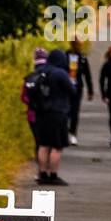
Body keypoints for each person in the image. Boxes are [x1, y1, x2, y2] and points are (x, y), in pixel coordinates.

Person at [32, 49, 76, 185]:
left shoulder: (41, 71)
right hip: (58, 112)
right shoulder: (60, 73)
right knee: (57, 146)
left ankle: (43, 174)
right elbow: (72, 90)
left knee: (43, 145)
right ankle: (53, 175)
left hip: (41, 112)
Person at [65, 39, 93, 147]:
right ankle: (65, 132)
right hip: (66, 86)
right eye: (75, 44)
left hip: (77, 88)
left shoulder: (82, 58)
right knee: (66, 110)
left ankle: (73, 134)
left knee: (75, 112)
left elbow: (87, 75)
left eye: (79, 45)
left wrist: (90, 90)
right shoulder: (65, 56)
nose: (77, 47)